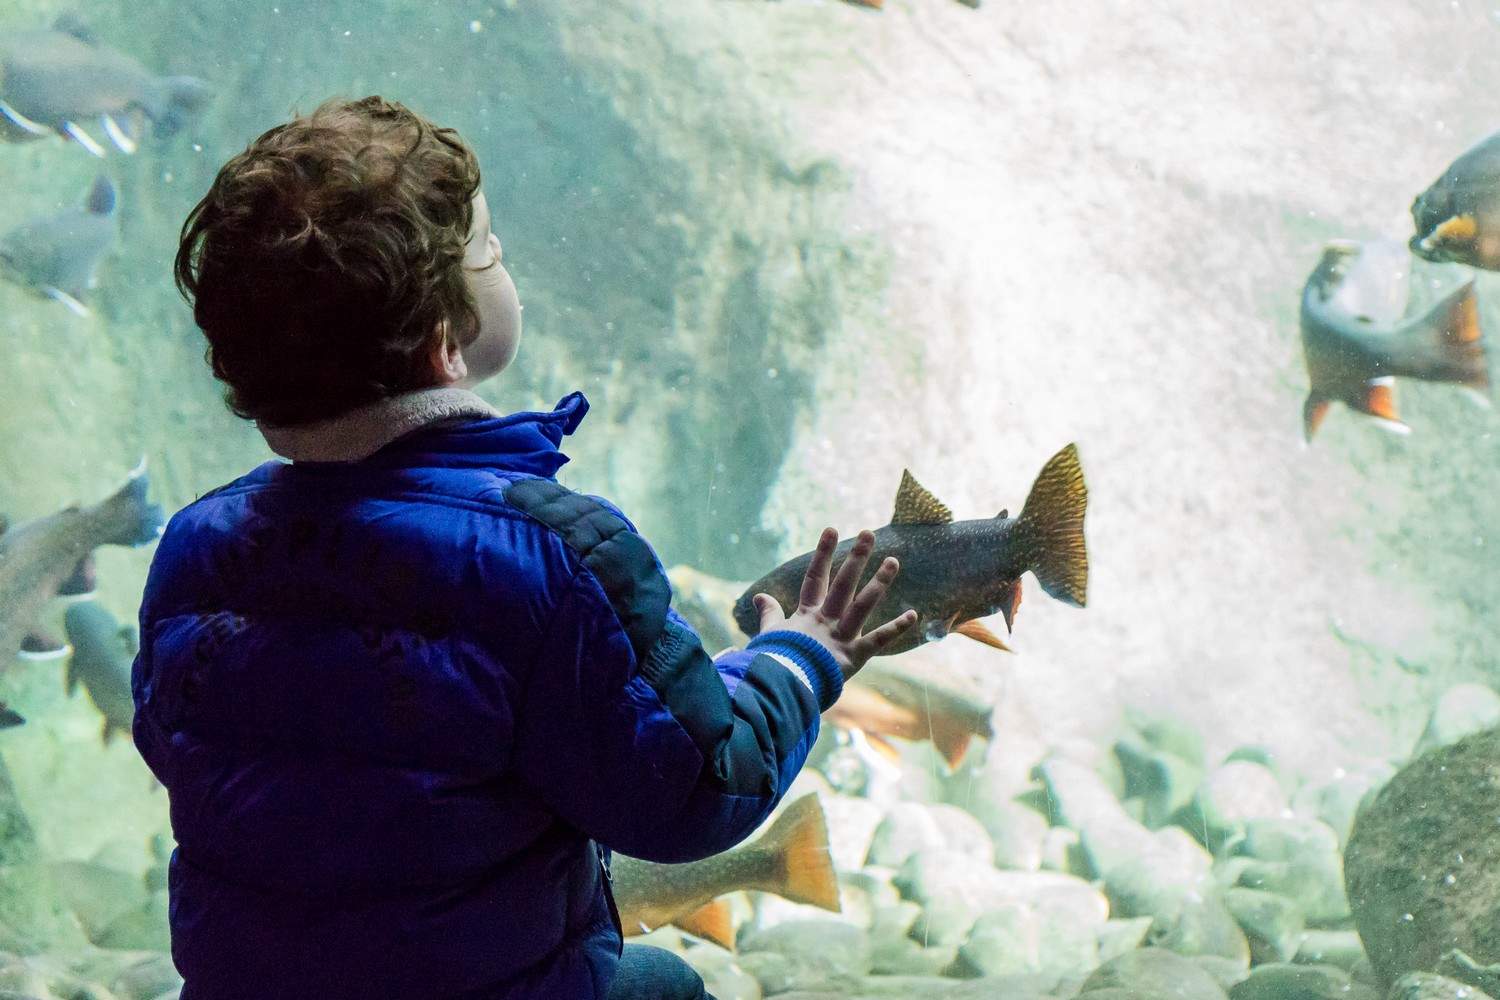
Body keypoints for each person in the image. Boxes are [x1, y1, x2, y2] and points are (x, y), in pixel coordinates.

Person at [132, 95, 917, 1000]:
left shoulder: (194, 550)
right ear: (444, 341)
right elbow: (695, 790)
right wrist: (799, 658)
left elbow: (180, 748)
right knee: (665, 986)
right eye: (488, 253)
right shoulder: (552, 553)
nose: (502, 258)